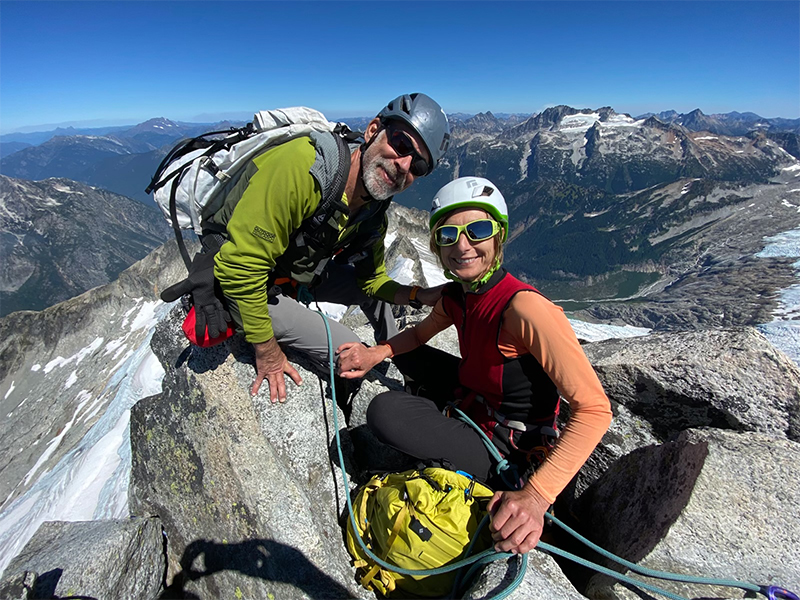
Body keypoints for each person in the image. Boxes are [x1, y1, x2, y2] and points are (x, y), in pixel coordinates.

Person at [335, 176, 612, 555]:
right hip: (475, 397)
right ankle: (448, 421)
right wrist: (375, 353)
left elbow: (594, 410)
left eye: (478, 231)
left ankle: (495, 477)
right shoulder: (457, 295)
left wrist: (535, 497)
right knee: (408, 355)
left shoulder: (524, 308)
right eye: (448, 236)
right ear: (437, 246)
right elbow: (417, 337)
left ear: (499, 237)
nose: (462, 246)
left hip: (510, 445)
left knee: (384, 411)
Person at [208, 93, 450, 403]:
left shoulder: (373, 212)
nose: (404, 165)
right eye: (401, 144)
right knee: (348, 348)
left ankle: (406, 365)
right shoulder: (303, 168)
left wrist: (418, 295)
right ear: (373, 130)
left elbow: (371, 282)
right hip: (250, 282)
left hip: (293, 273)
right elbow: (240, 266)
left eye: (418, 164)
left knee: (378, 301)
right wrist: (267, 350)